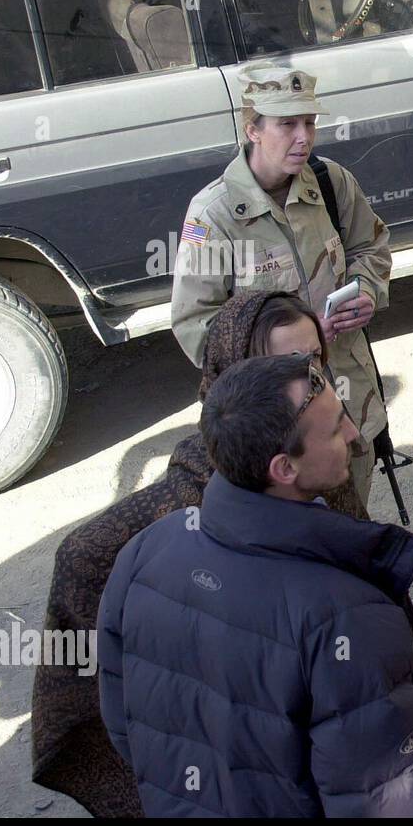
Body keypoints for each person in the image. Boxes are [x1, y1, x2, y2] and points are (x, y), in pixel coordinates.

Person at [98, 354, 413, 817]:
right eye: (335, 428)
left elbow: (125, 723)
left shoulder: (145, 552)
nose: (353, 434)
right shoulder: (344, 614)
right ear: (283, 469)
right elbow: (392, 800)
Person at [31, 291, 364, 818]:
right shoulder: (148, 531)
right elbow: (115, 703)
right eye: (278, 366)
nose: (307, 382)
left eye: (314, 359)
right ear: (232, 374)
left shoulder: (322, 459)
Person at [171, 61, 392, 505]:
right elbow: (197, 327)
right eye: (286, 124)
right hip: (280, 431)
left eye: (309, 122)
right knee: (296, 545)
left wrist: (367, 291)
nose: (303, 137)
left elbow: (371, 248)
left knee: (351, 525)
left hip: (350, 402)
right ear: (252, 129)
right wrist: (288, 348)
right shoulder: (213, 214)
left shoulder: (330, 183)